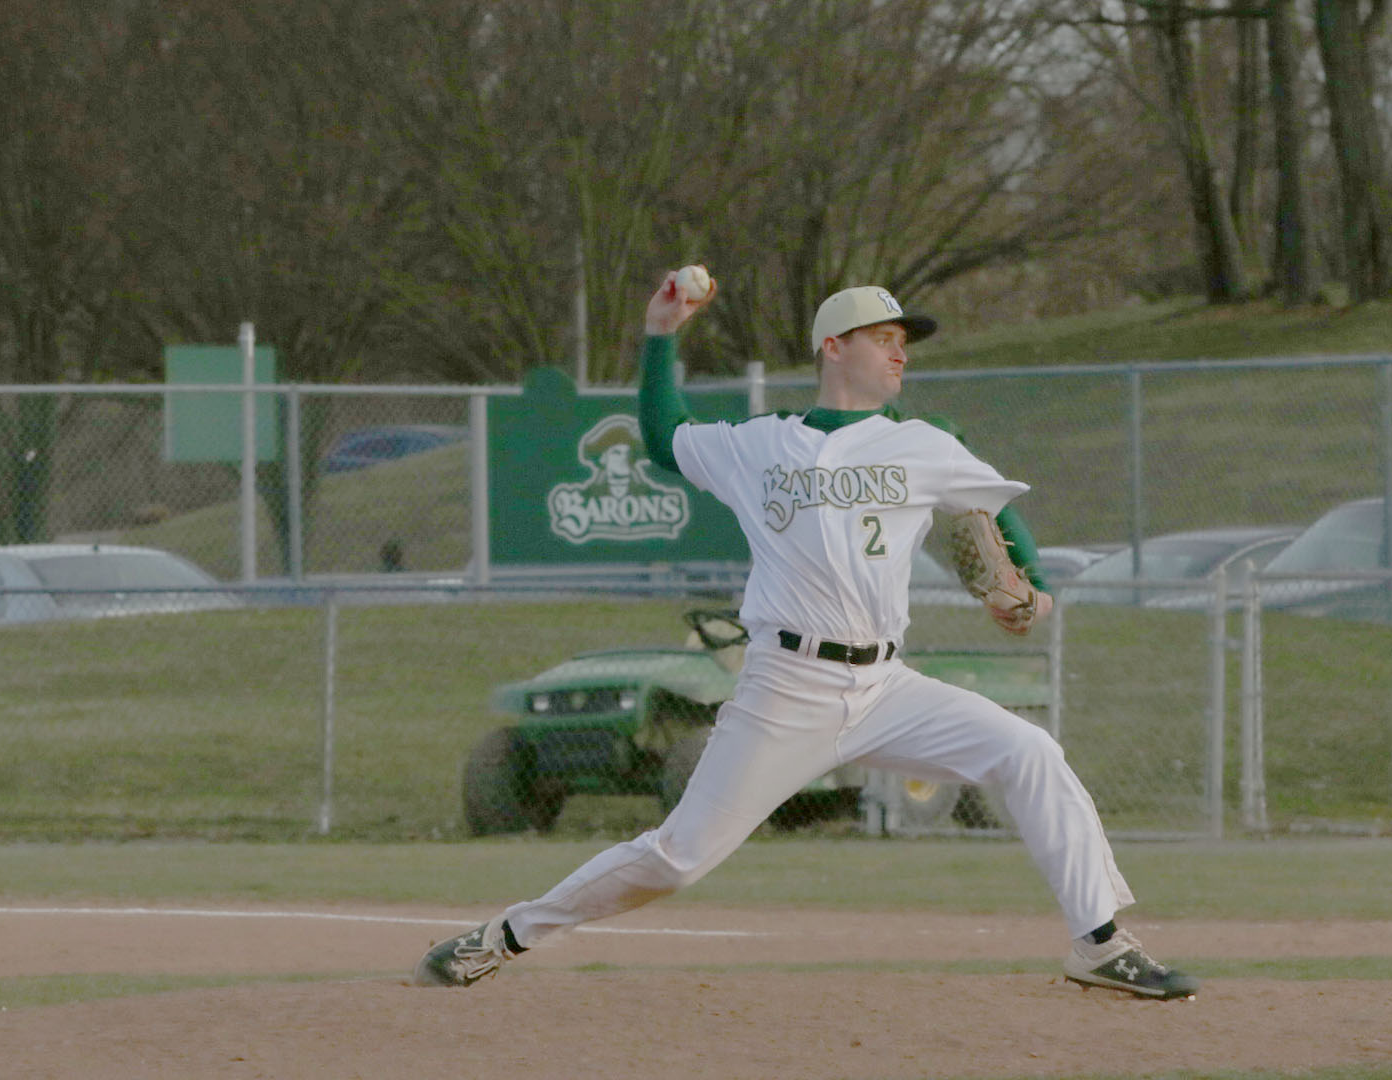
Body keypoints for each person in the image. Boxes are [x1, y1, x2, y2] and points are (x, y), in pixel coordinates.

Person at [415, 277, 1198, 1000]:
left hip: (887, 688)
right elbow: (663, 438)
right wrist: (660, 335)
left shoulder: (920, 443)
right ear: (833, 347)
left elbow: (994, 509)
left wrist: (1031, 585)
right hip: (785, 689)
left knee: (1031, 754)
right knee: (675, 859)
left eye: (905, 340)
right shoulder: (760, 445)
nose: (900, 352)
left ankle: (1099, 943)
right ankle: (506, 935)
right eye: (882, 336)